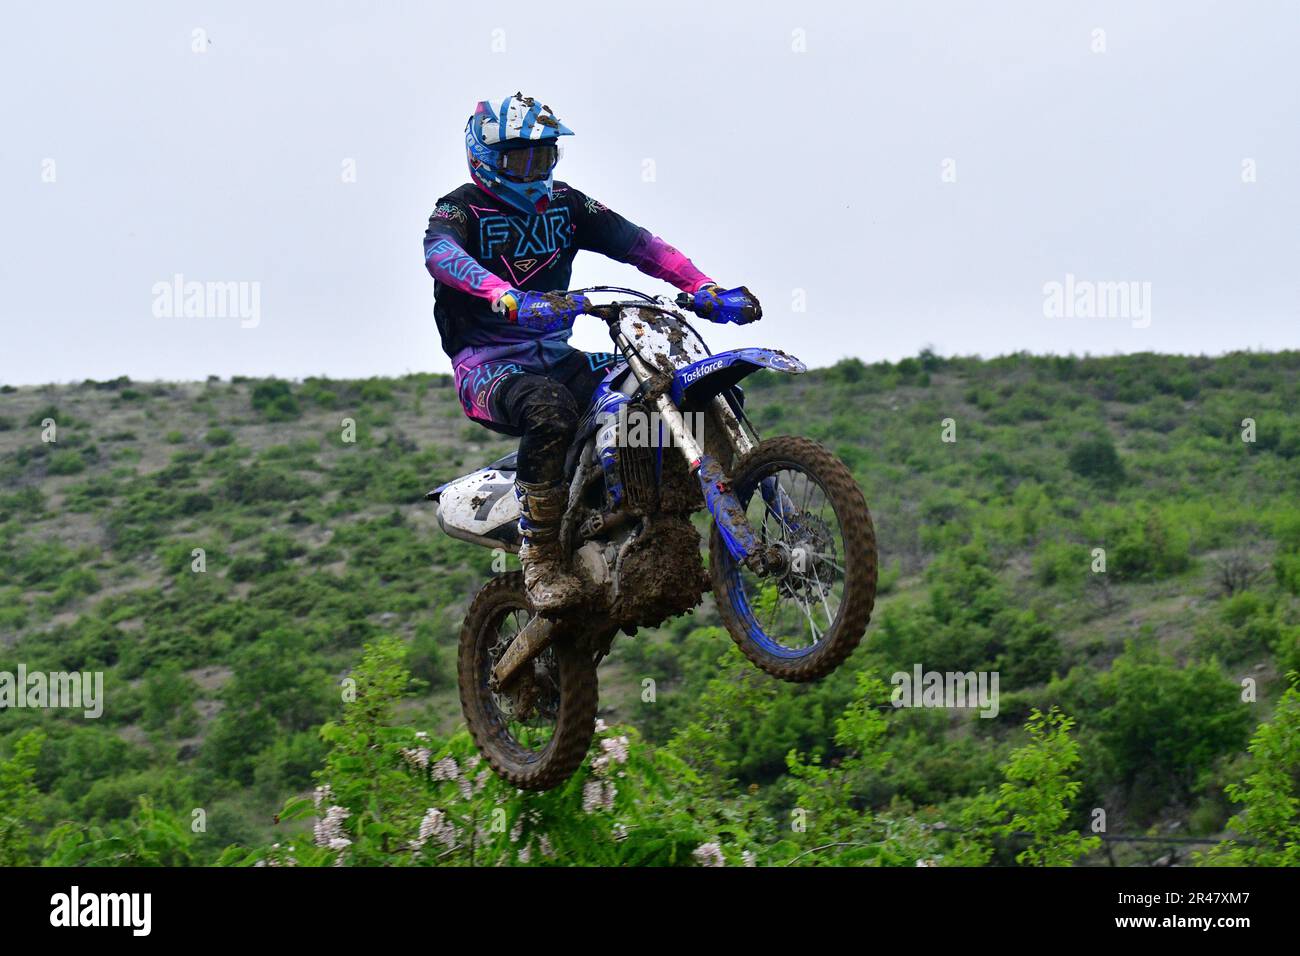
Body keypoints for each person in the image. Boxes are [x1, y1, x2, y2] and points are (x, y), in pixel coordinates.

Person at [423, 92, 761, 613]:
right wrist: (502, 294)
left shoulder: (568, 205)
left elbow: (641, 246)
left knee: (659, 376)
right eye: (520, 158)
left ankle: (647, 495)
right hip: (488, 368)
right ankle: (539, 556)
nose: (534, 168)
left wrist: (704, 287)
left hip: (559, 358)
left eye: (543, 155)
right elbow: (441, 252)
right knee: (550, 410)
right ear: (486, 158)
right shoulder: (460, 207)